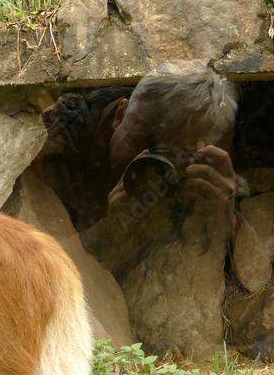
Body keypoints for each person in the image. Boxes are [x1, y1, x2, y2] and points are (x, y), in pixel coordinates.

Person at [35, 71, 239, 281]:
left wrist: (223, 220)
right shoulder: (60, 141)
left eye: (173, 156)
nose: (151, 167)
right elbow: (36, 266)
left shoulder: (197, 176)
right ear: (119, 115)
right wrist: (109, 232)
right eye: (146, 145)